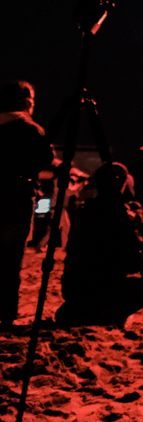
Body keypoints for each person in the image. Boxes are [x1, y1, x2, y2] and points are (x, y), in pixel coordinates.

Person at [54, 162, 143, 327]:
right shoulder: (119, 218)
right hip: (106, 288)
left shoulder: (84, 212)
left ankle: (82, 311)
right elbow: (134, 263)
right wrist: (136, 234)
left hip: (76, 290)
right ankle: (108, 314)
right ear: (122, 185)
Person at [1, 82, 55, 329]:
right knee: (11, 258)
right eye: (31, 99)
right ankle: (6, 313)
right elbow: (46, 160)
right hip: (16, 199)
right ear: (24, 101)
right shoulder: (29, 129)